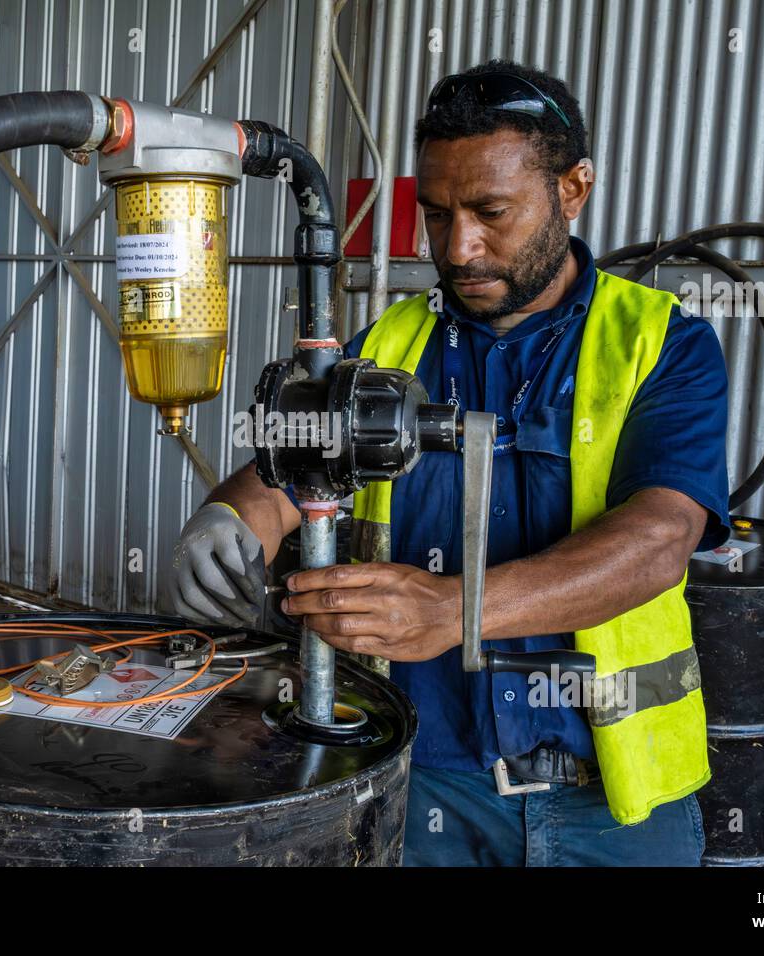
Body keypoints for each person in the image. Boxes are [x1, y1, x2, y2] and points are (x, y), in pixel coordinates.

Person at [166, 60, 729, 867]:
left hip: (616, 809)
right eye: (435, 216)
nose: (459, 247)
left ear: (574, 189)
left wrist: (454, 611)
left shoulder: (662, 343)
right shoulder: (391, 345)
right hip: (424, 792)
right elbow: (294, 464)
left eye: (490, 211)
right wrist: (231, 520)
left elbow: (659, 539)